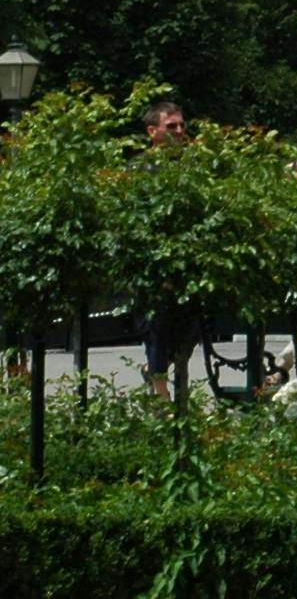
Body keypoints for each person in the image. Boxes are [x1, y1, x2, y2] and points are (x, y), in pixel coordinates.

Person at [136, 97, 191, 397]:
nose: (180, 130)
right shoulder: (140, 171)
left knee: (191, 330)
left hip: (191, 269)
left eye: (182, 125)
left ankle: (167, 381)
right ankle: (162, 399)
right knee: (156, 329)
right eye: (171, 126)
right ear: (152, 132)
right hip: (154, 271)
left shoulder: (194, 168)